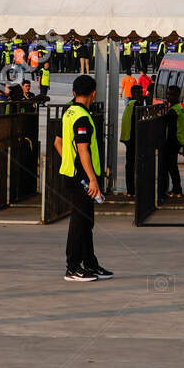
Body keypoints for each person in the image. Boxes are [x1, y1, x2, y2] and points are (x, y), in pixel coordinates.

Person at [56, 74, 111, 283]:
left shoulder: (68, 112)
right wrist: (91, 179)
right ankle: (72, 267)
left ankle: (90, 263)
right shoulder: (82, 117)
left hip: (74, 174)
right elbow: (83, 149)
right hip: (82, 178)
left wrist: (69, 162)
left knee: (86, 221)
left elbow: (58, 143)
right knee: (79, 222)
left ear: (74, 93)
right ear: (93, 94)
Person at [158, 86, 184, 201]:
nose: (169, 97)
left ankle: (174, 190)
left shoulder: (174, 110)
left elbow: (165, 121)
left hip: (173, 142)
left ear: (178, 96)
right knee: (172, 167)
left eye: (172, 95)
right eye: (168, 94)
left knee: (168, 167)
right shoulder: (176, 108)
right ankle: (176, 189)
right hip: (176, 141)